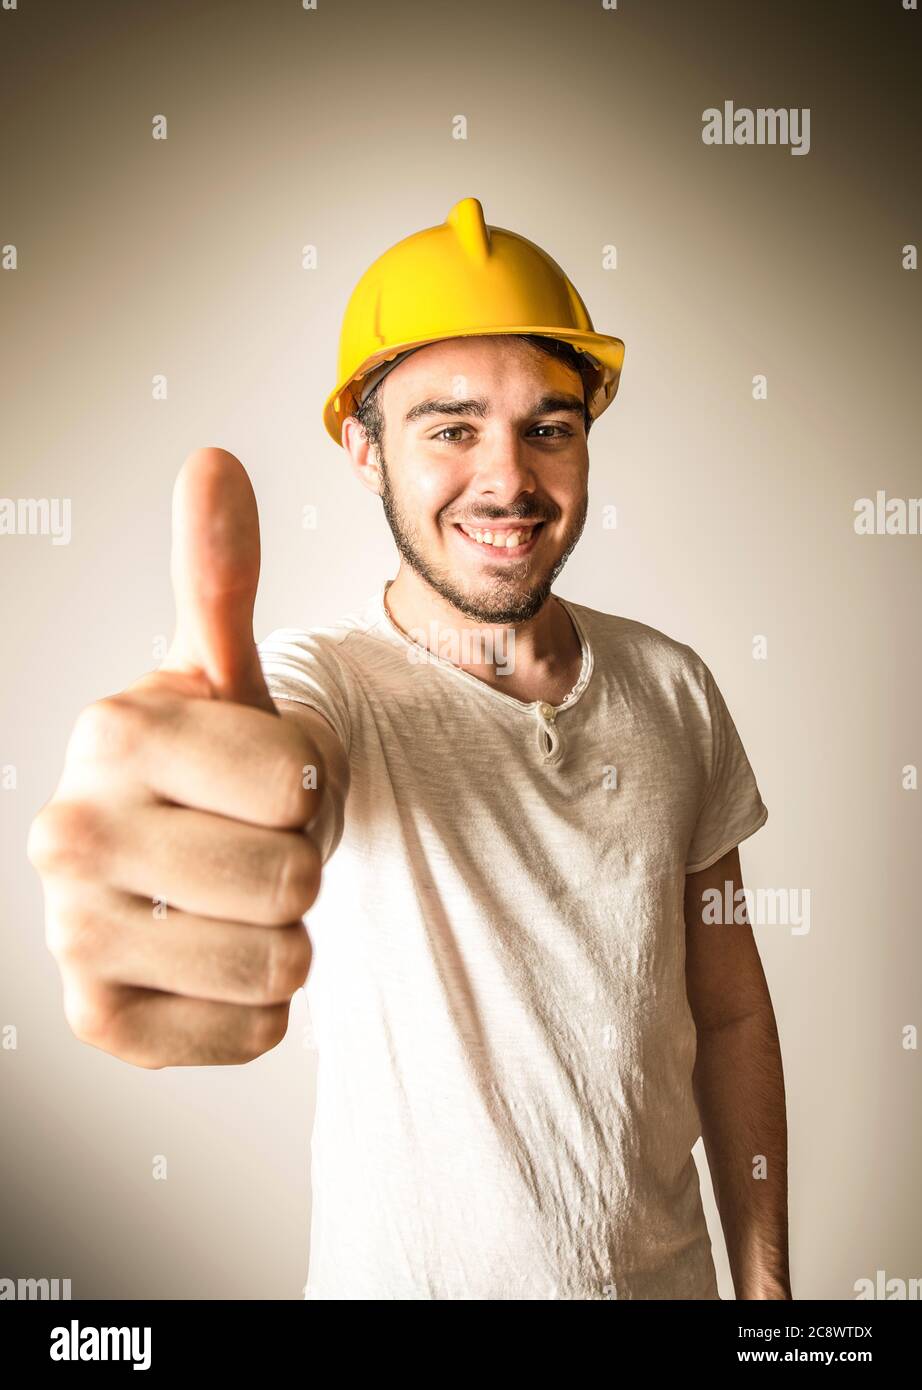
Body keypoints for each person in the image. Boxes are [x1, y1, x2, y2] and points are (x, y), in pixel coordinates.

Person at [27, 197, 790, 1301]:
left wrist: (767, 1294)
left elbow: (726, 1009)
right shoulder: (327, 683)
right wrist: (191, 831)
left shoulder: (673, 684)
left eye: (549, 426)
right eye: (450, 426)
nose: (508, 479)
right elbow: (289, 764)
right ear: (364, 450)